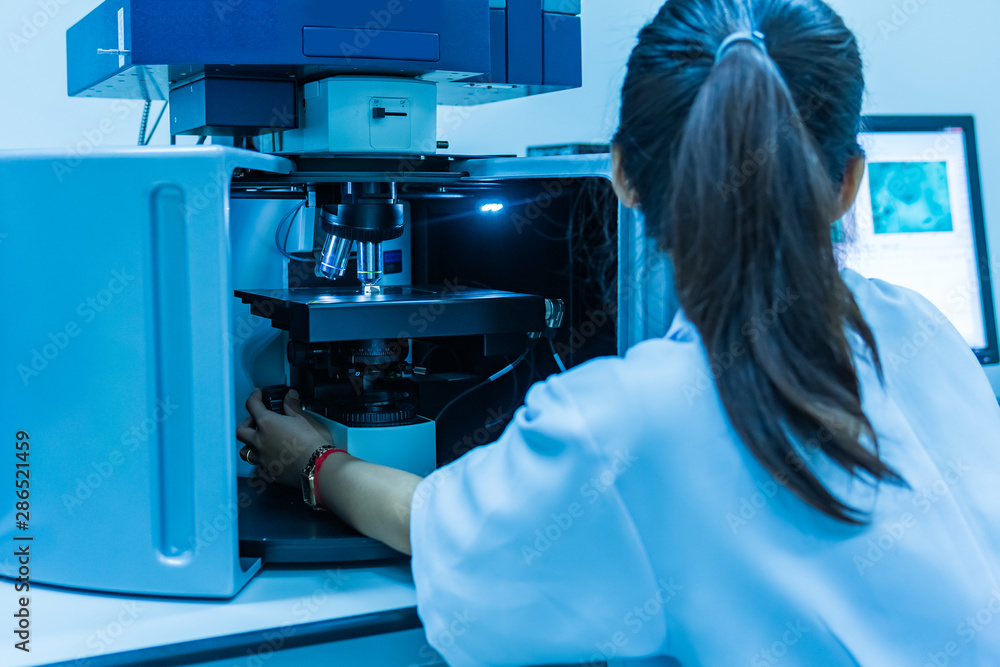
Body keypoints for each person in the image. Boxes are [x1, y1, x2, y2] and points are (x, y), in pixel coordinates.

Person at [236, 0, 1000, 664]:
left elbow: (441, 533)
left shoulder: (629, 422)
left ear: (623, 175)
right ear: (849, 185)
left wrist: (312, 460)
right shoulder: (921, 329)